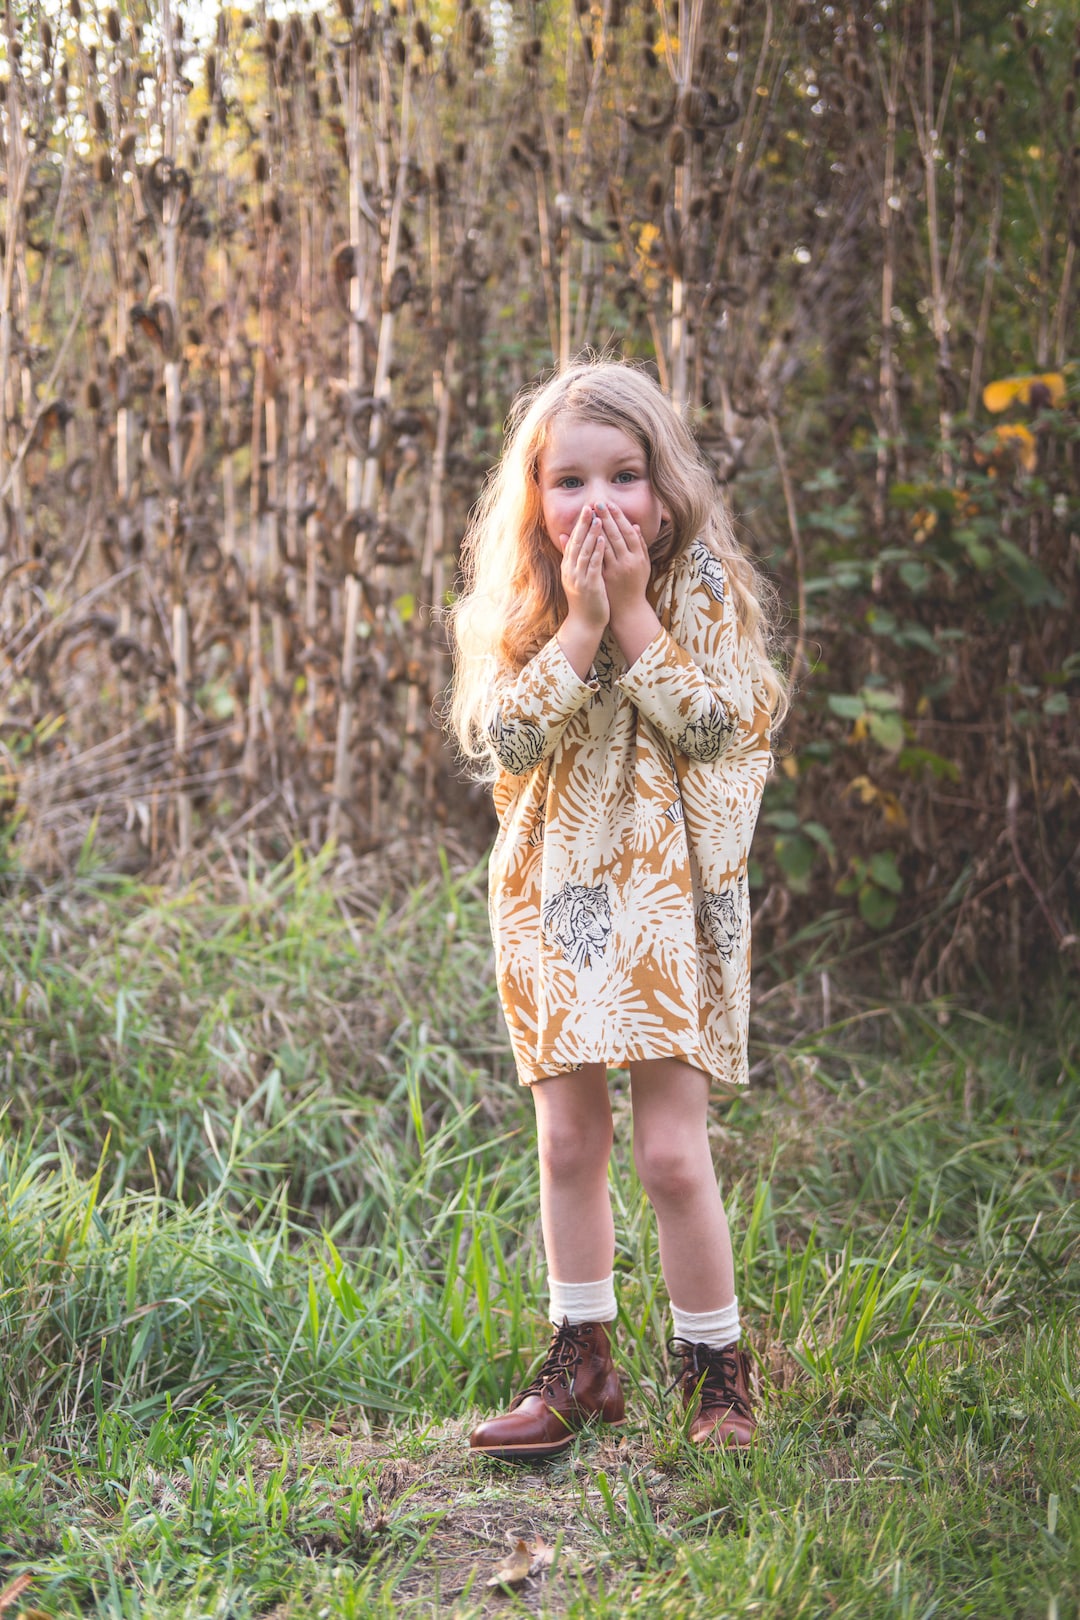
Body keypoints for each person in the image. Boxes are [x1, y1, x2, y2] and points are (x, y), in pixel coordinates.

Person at [447, 358, 785, 1461]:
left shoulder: (702, 593)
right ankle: (583, 1363)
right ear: (535, 499)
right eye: (570, 482)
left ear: (665, 487)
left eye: (625, 477)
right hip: (553, 903)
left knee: (673, 1154)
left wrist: (633, 612)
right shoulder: (523, 605)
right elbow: (501, 744)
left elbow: (717, 735)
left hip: (665, 905)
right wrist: (581, 624)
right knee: (567, 1143)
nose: (598, 506)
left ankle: (717, 1375)